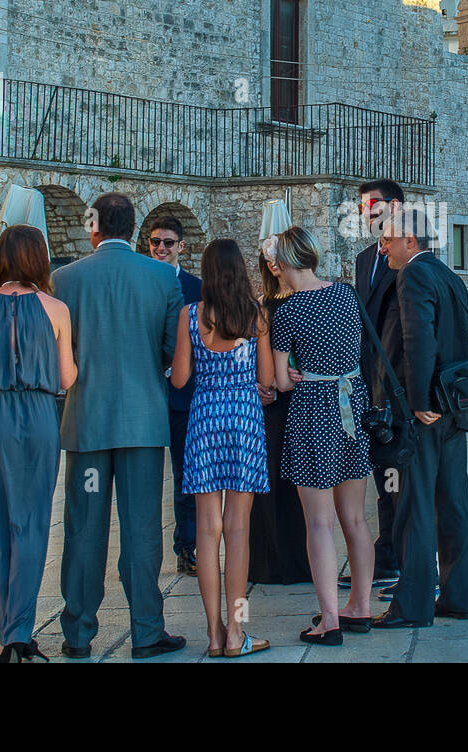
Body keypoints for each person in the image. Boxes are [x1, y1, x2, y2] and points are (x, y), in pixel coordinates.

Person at [54, 193, 187, 660]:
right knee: (142, 531)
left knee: (84, 530)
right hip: (143, 423)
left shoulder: (64, 279)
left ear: (94, 227)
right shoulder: (160, 277)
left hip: (88, 422)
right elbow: (173, 351)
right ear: (133, 228)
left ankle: (77, 633)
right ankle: (147, 630)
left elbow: (59, 356)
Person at [0, 226, 77, 662]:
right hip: (37, 417)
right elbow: (66, 379)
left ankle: (8, 631)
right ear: (39, 259)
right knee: (29, 524)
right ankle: (19, 633)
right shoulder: (56, 309)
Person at [269, 226, 375, 646]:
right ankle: (361, 607)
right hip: (352, 405)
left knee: (319, 522)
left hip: (313, 411)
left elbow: (280, 382)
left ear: (283, 263)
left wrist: (295, 372)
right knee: (355, 519)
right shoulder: (346, 294)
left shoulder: (288, 312)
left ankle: (329, 620)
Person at [372, 214, 468, 629]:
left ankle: (412, 606)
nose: (383, 248)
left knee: (414, 505)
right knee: (453, 503)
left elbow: (419, 339)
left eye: (387, 240)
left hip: (425, 409)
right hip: (454, 406)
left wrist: (416, 401)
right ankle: (458, 597)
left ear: (410, 240)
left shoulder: (413, 277)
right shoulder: (449, 276)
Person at [171, 239, 273, 658]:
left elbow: (178, 379)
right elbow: (267, 378)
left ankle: (213, 634)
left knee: (207, 532)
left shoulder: (191, 316)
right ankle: (237, 631)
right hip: (245, 421)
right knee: (239, 531)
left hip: (205, 421)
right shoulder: (256, 316)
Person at [248, 202, 311, 585]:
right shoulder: (263, 304)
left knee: (298, 482)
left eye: (277, 259)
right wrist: (263, 381)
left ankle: (299, 560)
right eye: (267, 259)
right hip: (272, 402)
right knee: (269, 479)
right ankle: (270, 562)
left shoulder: (304, 300)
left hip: (300, 398)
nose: (272, 265)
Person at [353, 179, 405, 590]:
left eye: (372, 207)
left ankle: (402, 552)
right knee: (381, 472)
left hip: (399, 384)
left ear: (396, 207)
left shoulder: (411, 256)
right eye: (362, 208)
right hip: (369, 381)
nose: (364, 214)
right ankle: (386, 551)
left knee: (400, 475)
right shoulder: (364, 258)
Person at [148, 215, 202, 576]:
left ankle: (187, 547)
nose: (161, 248)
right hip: (148, 393)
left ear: (181, 246)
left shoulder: (196, 288)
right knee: (144, 478)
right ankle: (143, 553)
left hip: (185, 395)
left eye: (168, 242)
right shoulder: (140, 281)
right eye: (155, 242)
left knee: (187, 476)